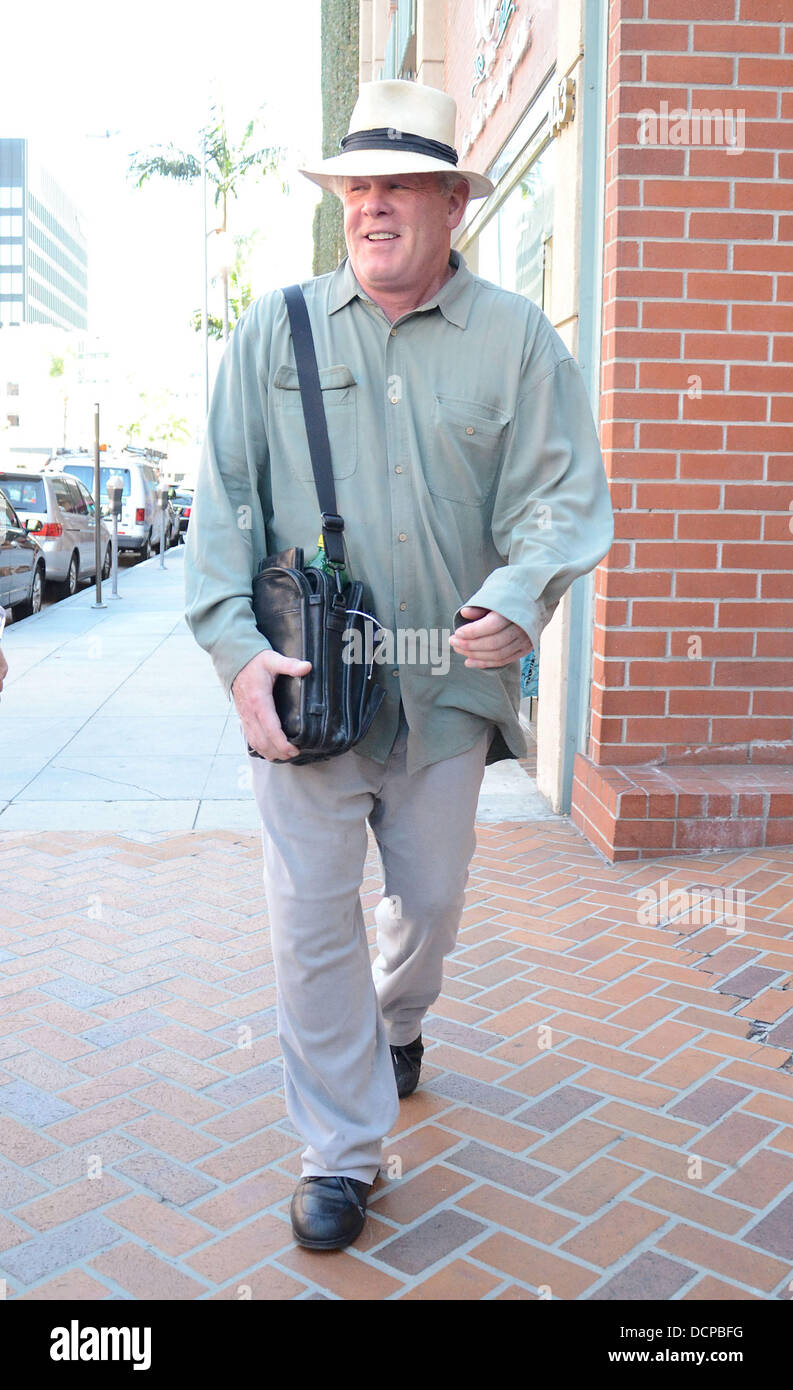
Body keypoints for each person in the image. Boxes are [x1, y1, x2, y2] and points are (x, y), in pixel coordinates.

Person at [184, 79, 614, 1251]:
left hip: (444, 695)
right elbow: (218, 504)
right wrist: (236, 656)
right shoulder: (271, 333)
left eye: (398, 187)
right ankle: (340, 1149)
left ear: (450, 205)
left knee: (423, 906)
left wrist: (520, 599)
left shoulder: (517, 338)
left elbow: (563, 496)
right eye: (355, 187)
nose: (372, 208)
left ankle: (400, 1015)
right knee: (309, 922)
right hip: (309, 694)